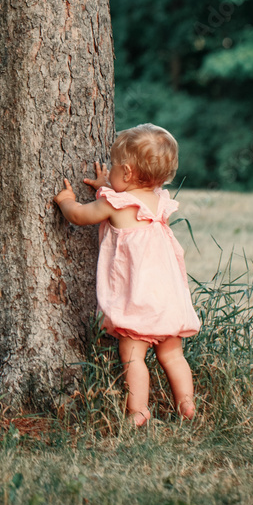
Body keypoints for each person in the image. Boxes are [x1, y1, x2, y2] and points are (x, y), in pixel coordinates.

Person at [54, 123, 201, 426]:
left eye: (114, 168)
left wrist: (66, 200)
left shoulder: (113, 204)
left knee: (133, 357)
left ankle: (138, 411)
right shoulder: (159, 200)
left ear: (129, 173)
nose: (108, 172)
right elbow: (128, 195)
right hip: (168, 298)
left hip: (137, 300)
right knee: (173, 356)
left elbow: (80, 216)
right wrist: (105, 186)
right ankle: (187, 405)